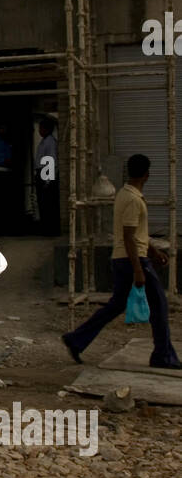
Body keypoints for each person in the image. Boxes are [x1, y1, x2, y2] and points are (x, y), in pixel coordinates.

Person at [62, 152, 180, 369]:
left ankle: (76, 339)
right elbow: (129, 236)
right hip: (132, 260)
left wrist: (154, 253)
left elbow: (136, 235)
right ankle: (163, 355)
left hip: (124, 258)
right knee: (159, 306)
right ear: (146, 174)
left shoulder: (124, 194)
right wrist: (138, 269)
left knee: (116, 305)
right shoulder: (134, 200)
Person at [35, 116, 60, 236]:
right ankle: (46, 228)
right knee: (43, 203)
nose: (39, 130)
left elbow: (50, 160)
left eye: (41, 128)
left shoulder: (50, 142)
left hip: (46, 174)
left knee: (48, 204)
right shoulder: (44, 141)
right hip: (42, 173)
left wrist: (47, 180)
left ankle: (50, 230)